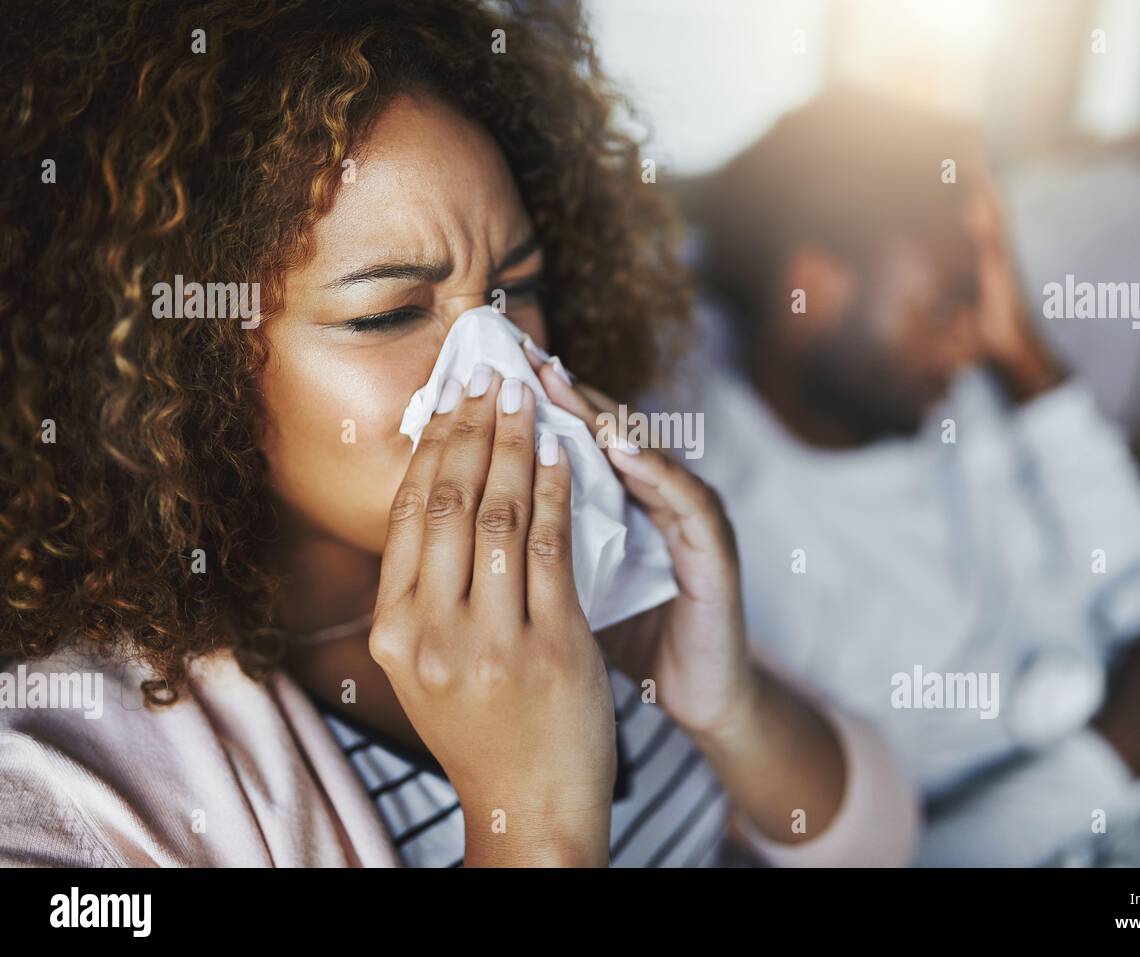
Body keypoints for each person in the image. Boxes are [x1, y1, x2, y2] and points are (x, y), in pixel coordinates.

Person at [0, 1, 917, 868]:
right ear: (185, 364)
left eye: (514, 288)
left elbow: (880, 845)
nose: (500, 365)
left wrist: (730, 705)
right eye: (390, 313)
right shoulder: (73, 782)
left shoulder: (592, 577)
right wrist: (534, 818)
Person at [684, 90, 1140, 865]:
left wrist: (1027, 357)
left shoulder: (941, 395)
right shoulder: (739, 554)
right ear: (815, 292)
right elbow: (889, 854)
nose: (971, 340)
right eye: (942, 305)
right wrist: (1120, 744)